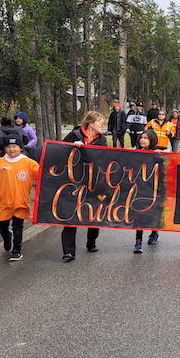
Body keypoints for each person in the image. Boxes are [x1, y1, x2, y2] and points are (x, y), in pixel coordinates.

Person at [0, 135, 40, 261]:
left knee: (18, 227)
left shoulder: (28, 163)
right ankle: (7, 238)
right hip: (4, 203)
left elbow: (43, 175)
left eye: (14, 146)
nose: (11, 149)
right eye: (8, 147)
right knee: (2, 226)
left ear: (20, 148)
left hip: (20, 202)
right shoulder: (0, 163)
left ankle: (17, 250)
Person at [61, 111, 107, 262]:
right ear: (91, 123)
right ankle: (68, 251)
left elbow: (106, 159)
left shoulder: (102, 140)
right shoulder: (74, 135)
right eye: (101, 123)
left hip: (93, 181)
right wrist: (72, 147)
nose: (103, 126)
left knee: (93, 213)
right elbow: (59, 151)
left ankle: (91, 241)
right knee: (70, 215)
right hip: (74, 181)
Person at [133, 130, 163, 253]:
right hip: (139, 189)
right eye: (141, 137)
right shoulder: (134, 154)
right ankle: (138, 241)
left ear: (152, 140)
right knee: (139, 215)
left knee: (152, 213)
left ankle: (154, 232)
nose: (142, 140)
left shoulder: (157, 154)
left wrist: (161, 156)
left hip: (153, 188)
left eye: (146, 138)